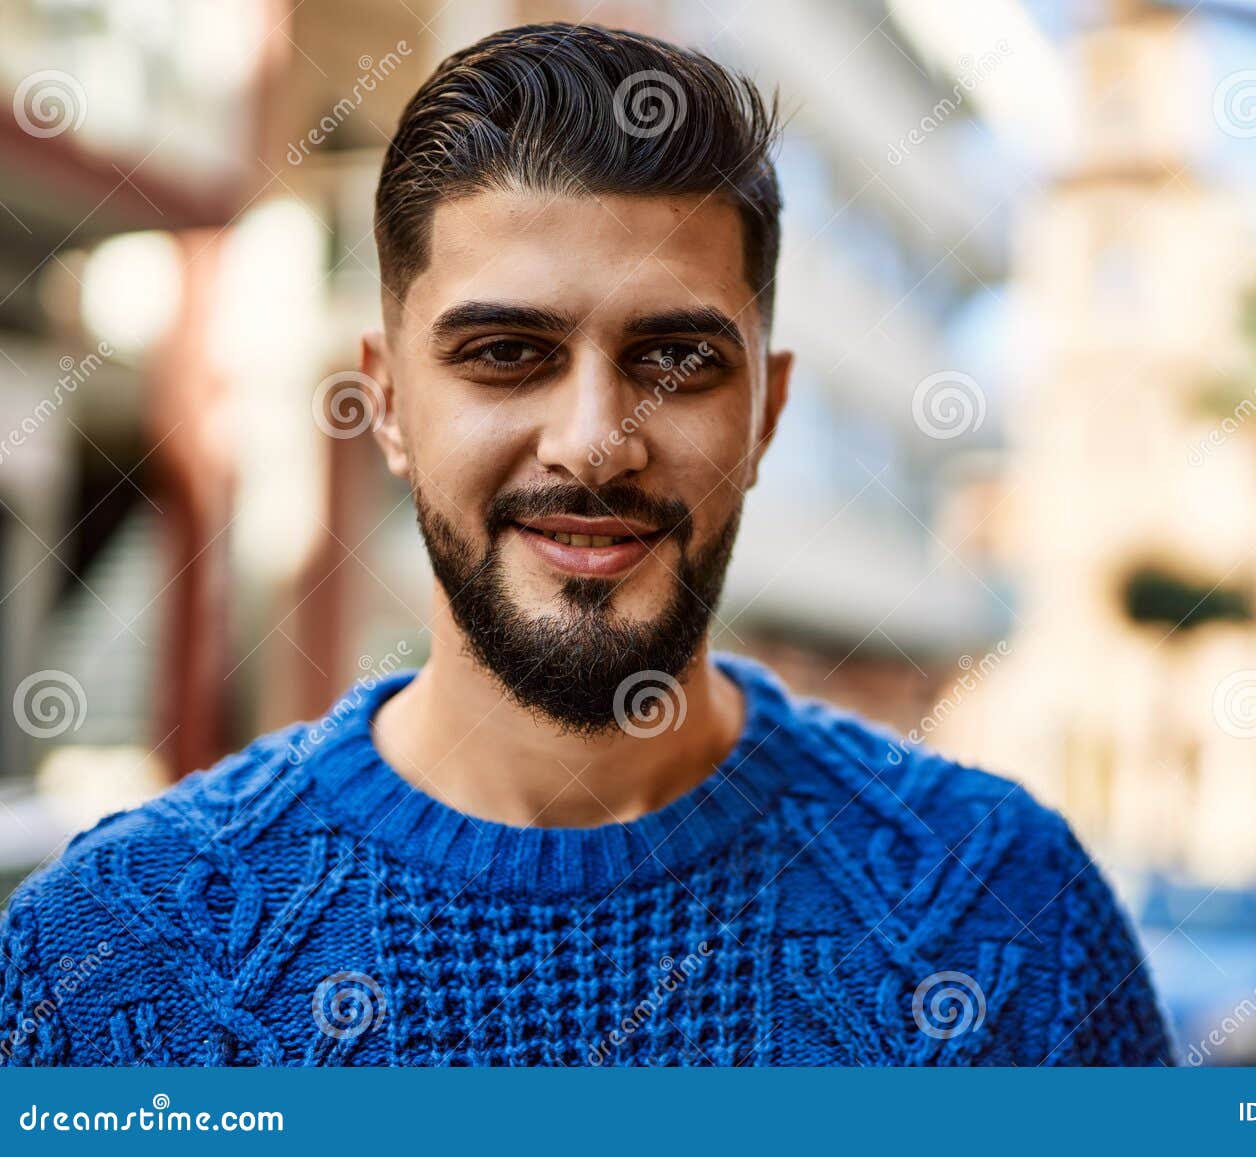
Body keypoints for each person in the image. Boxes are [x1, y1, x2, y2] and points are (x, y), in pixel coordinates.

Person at [0, 22, 1172, 1067]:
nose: (595, 443)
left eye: (675, 360)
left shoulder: (1012, 917)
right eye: (506, 352)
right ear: (389, 402)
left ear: (763, 414)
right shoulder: (109, 951)